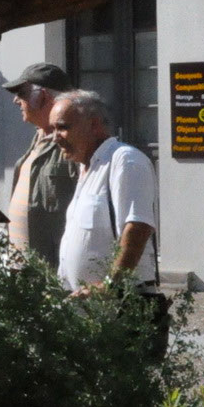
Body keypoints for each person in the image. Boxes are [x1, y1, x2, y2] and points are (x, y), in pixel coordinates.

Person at [49, 90, 158, 294]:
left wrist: (110, 285)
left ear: (94, 124)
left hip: (121, 302)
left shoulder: (124, 160)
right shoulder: (87, 167)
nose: (55, 138)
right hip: (85, 306)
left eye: (62, 127)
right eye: (52, 129)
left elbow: (137, 227)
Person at [3, 63, 80, 264]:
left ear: (43, 96)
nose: (16, 100)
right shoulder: (38, 138)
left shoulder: (75, 144)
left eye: (22, 93)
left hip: (53, 270)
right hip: (25, 270)